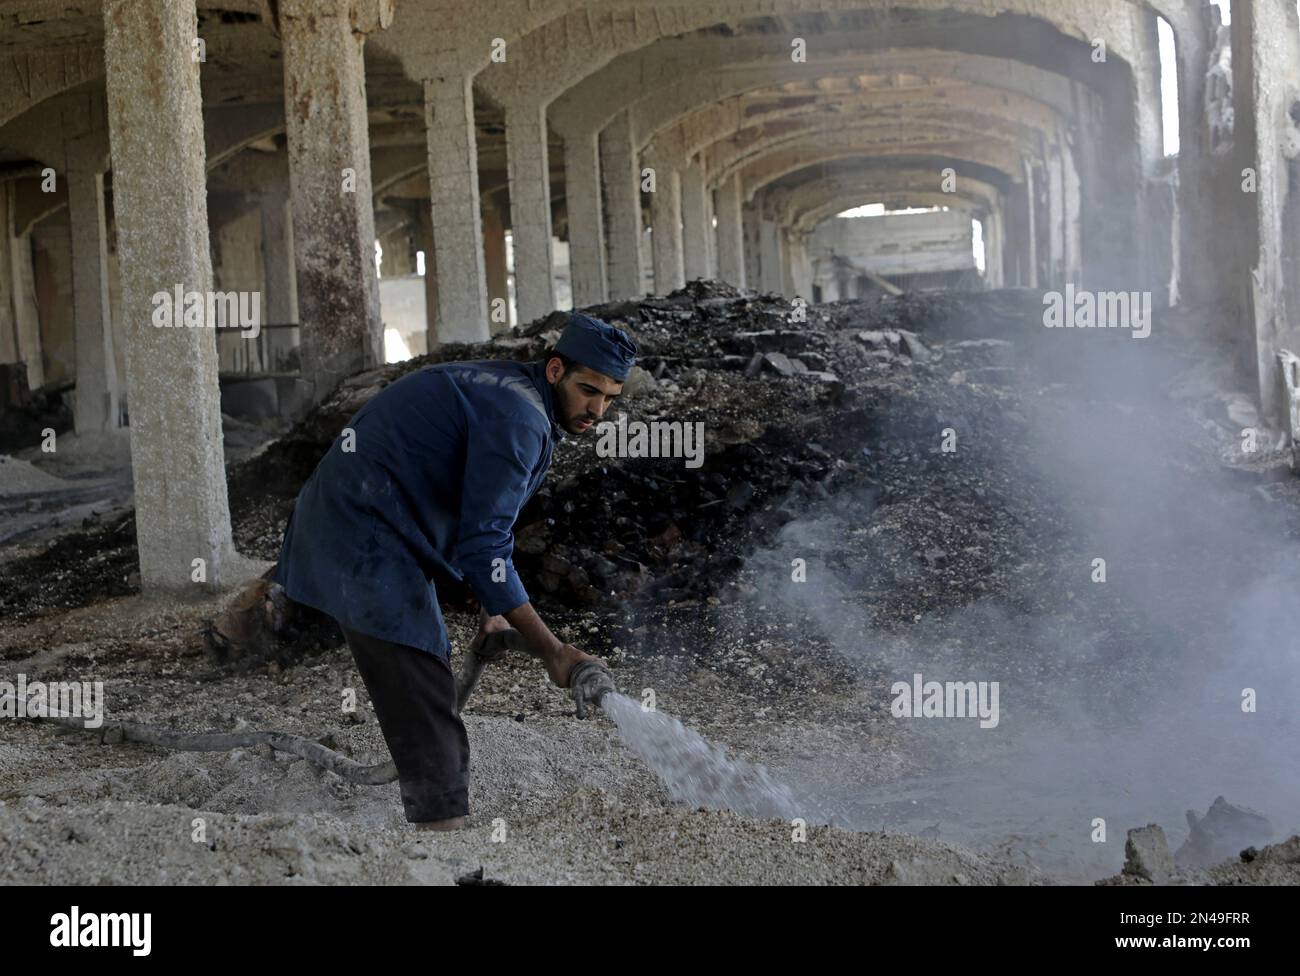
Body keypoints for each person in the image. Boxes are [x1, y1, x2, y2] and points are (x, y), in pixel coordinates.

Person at [222, 312, 635, 830]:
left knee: (419, 664)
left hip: (368, 513)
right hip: (363, 530)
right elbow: (483, 547)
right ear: (555, 371)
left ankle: (250, 615)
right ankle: (443, 831)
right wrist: (554, 652)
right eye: (588, 390)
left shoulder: (517, 392)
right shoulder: (521, 418)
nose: (597, 409)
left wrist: (496, 611)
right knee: (421, 678)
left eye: (610, 399)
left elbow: (485, 523)